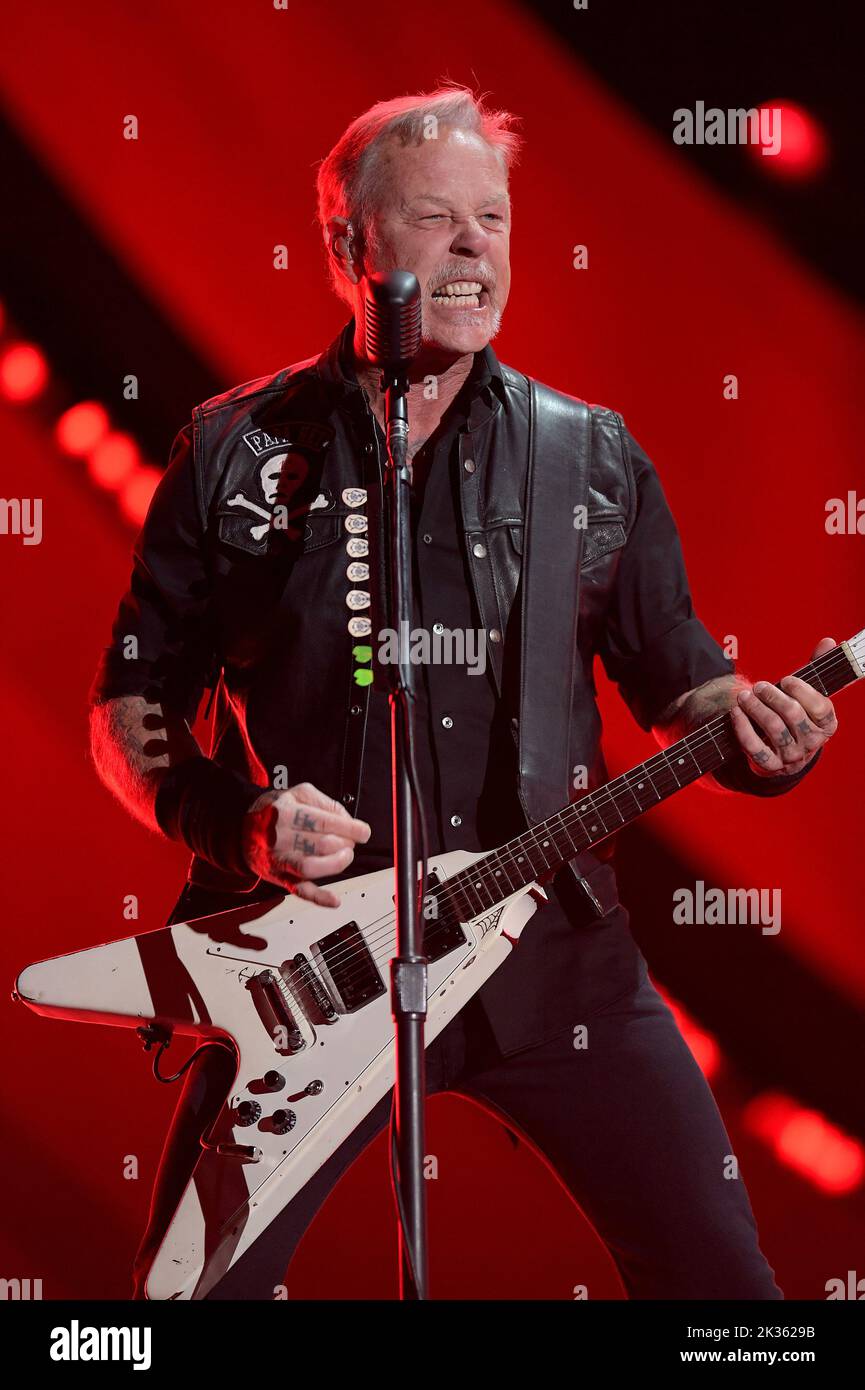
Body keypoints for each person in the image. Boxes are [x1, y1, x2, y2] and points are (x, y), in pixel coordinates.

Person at [88, 84, 837, 1301]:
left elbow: (683, 687)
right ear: (348, 246)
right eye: (437, 219)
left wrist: (761, 733)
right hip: (307, 965)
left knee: (733, 1306)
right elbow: (130, 715)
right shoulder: (233, 452)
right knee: (167, 1315)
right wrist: (241, 827)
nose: (476, 246)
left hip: (555, 966)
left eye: (492, 219)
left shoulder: (590, 456)